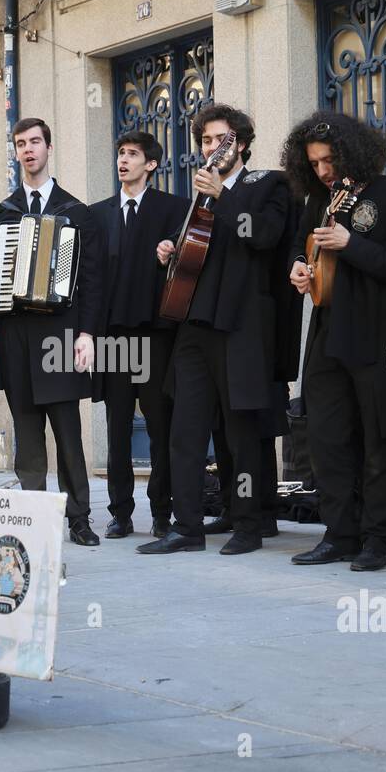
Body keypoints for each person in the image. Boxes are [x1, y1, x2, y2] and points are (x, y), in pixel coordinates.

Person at [136, 104, 296, 556]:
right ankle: (187, 527)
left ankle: (250, 523)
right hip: (195, 322)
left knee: (242, 433)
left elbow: (262, 235)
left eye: (220, 139)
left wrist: (224, 195)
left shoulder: (268, 185)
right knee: (185, 429)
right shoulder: (200, 197)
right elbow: (198, 252)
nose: (211, 148)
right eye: (205, 141)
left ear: (241, 143)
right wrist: (172, 250)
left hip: (242, 323)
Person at [286, 112, 386, 572]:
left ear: (352, 153)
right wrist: (299, 268)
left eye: (329, 160)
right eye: (315, 163)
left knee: (380, 439)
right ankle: (339, 532)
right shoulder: (318, 200)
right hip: (329, 331)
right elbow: (300, 247)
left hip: (381, 331)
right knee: (327, 438)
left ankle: (379, 537)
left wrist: (350, 243)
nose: (323, 170)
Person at [0, 118, 106, 546]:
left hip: (59, 338)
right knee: (27, 438)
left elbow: (90, 281)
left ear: (49, 148)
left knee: (69, 435)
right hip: (14, 335)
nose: (28, 149)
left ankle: (79, 518)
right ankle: (33, 519)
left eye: (35, 142)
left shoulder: (76, 212)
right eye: (20, 143)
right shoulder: (2, 212)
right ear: (16, 153)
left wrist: (87, 334)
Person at [91, 130, 190, 539]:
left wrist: (173, 249)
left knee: (159, 427)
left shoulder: (174, 208)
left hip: (155, 335)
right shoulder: (98, 214)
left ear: (151, 164)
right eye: (120, 153)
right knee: (116, 428)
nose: (124, 160)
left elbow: (191, 265)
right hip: (113, 337)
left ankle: (163, 512)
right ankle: (120, 513)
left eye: (132, 154)